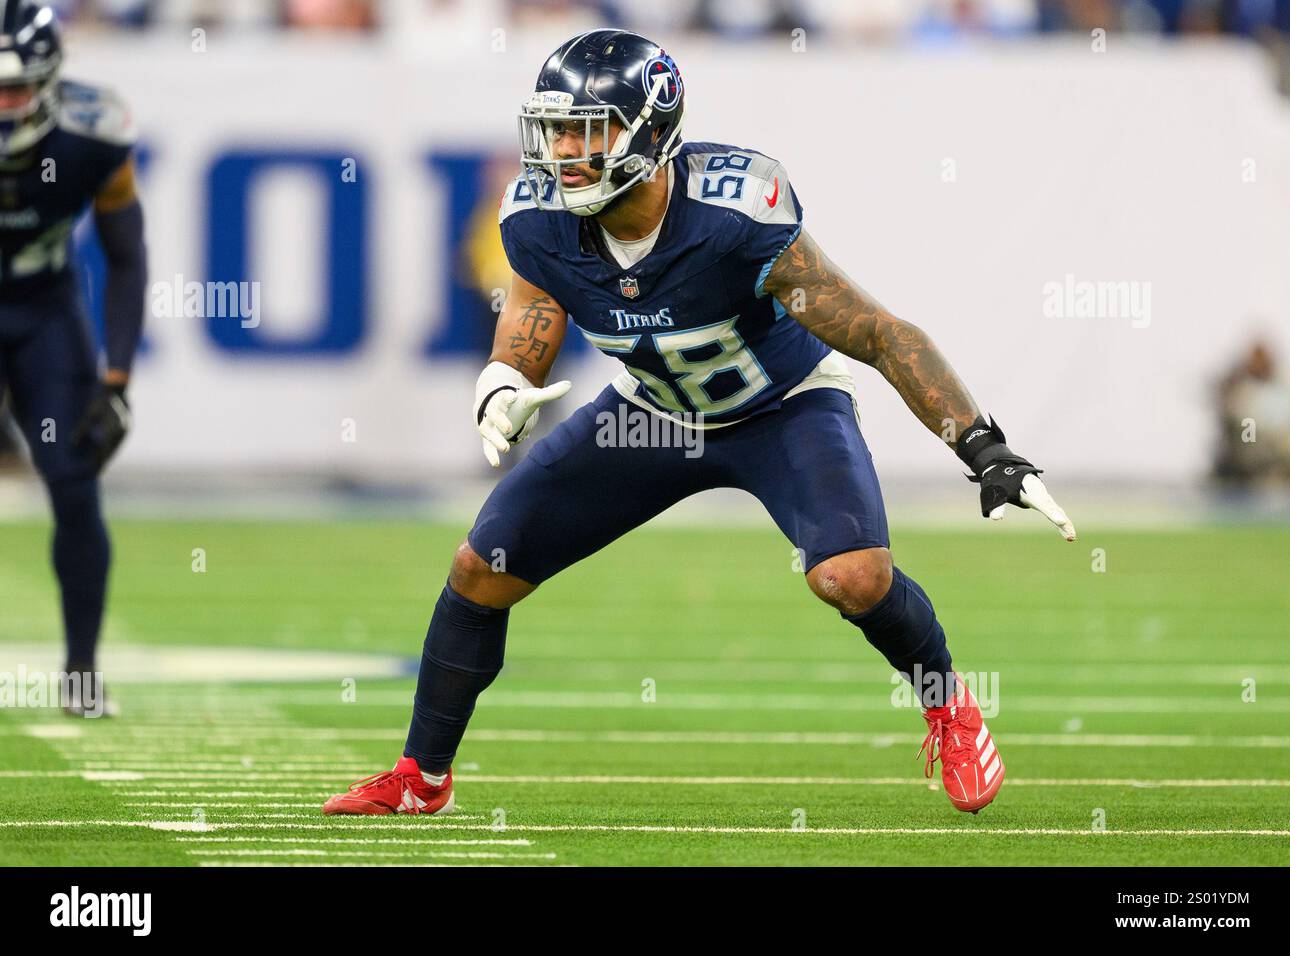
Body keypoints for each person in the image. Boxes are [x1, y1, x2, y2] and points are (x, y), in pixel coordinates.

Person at [324, 29, 1074, 817]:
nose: (567, 151)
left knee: (852, 578)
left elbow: (881, 335)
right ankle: (422, 777)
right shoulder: (538, 217)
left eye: (590, 129)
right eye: (559, 129)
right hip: (653, 416)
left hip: (782, 408)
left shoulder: (732, 212)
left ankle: (948, 702)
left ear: (651, 131)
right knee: (482, 568)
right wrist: (506, 375)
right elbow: (536, 303)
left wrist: (984, 446)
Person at [0, 0, 147, 716]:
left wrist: (116, 378)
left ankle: (82, 673)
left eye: (14, 89)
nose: (2, 108)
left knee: (73, 477)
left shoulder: (94, 133)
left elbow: (126, 255)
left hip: (40, 312)